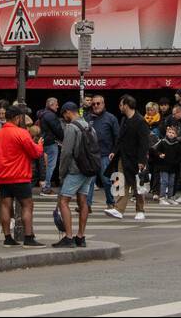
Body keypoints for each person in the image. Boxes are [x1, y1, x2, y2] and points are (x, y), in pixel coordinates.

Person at [0, 102, 44, 246]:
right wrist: (39, 144)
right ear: (17, 118)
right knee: (27, 205)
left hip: (3, 176)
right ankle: (28, 237)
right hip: (19, 175)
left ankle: (7, 237)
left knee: (5, 205)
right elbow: (35, 153)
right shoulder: (21, 133)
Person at [54, 101, 95, 247]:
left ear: (67, 112)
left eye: (64, 115)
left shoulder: (72, 128)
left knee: (63, 201)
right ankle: (81, 237)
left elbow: (66, 153)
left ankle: (69, 237)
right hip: (88, 170)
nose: (64, 118)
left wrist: (61, 173)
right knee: (83, 202)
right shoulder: (90, 126)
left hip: (75, 170)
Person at [114, 95, 151, 220]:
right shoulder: (124, 120)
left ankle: (140, 209)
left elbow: (144, 143)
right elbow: (120, 138)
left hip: (136, 158)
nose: (119, 107)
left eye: (121, 104)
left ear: (126, 105)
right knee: (119, 180)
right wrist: (114, 151)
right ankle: (118, 208)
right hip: (123, 156)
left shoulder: (140, 121)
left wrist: (142, 160)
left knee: (137, 184)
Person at [85, 95, 120, 217]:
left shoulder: (111, 118)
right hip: (91, 155)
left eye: (98, 103)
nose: (95, 106)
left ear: (103, 104)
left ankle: (111, 203)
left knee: (106, 180)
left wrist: (114, 151)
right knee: (89, 181)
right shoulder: (88, 117)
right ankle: (87, 205)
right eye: (93, 104)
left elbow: (117, 136)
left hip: (106, 154)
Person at [36, 96, 63, 195]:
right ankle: (46, 188)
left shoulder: (42, 114)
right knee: (51, 166)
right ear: (51, 105)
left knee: (45, 165)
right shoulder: (50, 115)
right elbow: (57, 129)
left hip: (44, 141)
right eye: (56, 104)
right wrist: (63, 138)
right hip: (51, 142)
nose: (57, 106)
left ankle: (45, 186)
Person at [152, 122, 181, 203]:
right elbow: (155, 150)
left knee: (171, 183)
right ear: (166, 133)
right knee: (164, 182)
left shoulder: (177, 145)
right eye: (169, 132)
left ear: (176, 135)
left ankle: (170, 197)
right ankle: (162, 197)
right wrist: (159, 154)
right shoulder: (163, 142)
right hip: (164, 166)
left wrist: (177, 162)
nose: (171, 134)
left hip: (173, 167)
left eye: (173, 133)